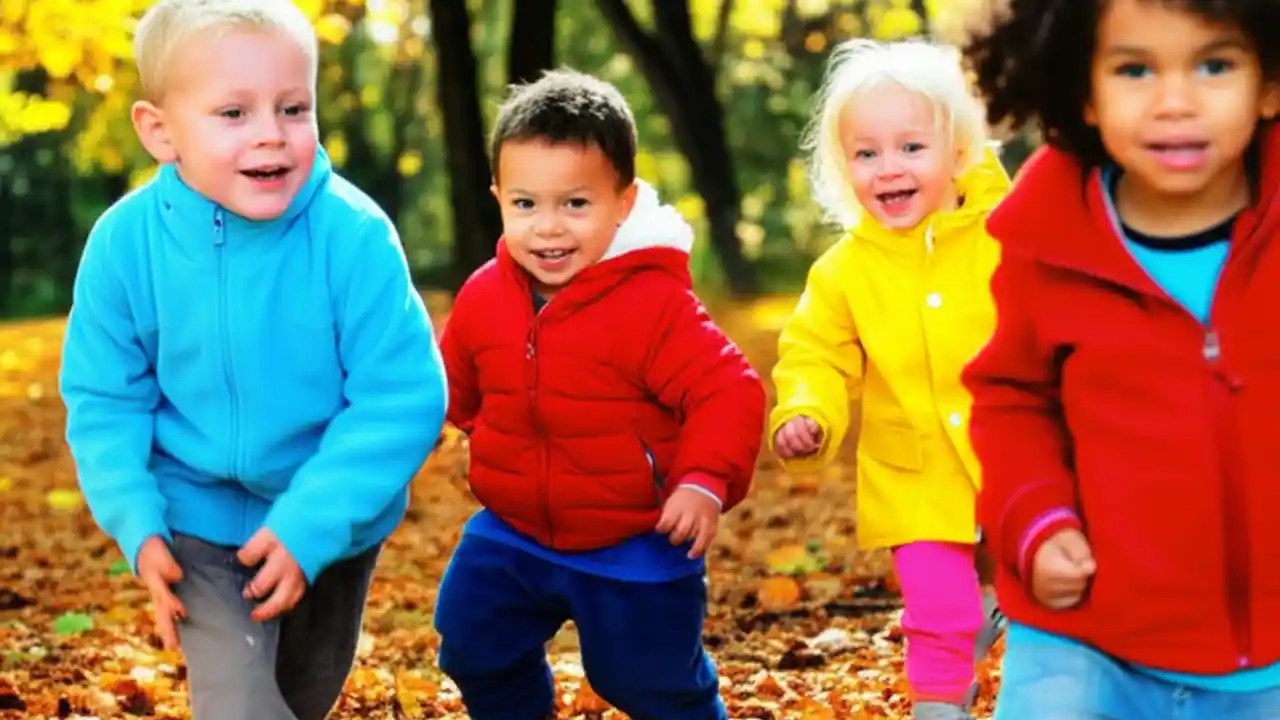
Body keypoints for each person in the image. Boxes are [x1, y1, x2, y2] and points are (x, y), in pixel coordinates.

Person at [58, 1, 447, 718]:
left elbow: (402, 395)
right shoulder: (124, 246)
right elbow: (106, 398)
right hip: (196, 515)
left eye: (293, 108)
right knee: (239, 703)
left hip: (334, 518)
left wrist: (312, 524)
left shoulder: (352, 236)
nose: (272, 134)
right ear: (160, 131)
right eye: (233, 114)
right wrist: (137, 520)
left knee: (302, 695)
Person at [962, 0, 1280, 716]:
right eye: (1135, 69)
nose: (1175, 102)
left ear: (1269, 84)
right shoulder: (1046, 246)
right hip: (1088, 644)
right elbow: (1011, 402)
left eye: (1214, 65)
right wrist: (1037, 519)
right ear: (1084, 91)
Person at [432, 69, 766, 720]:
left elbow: (727, 389)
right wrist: (427, 424)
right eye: (525, 204)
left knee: (644, 682)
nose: (548, 228)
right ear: (498, 196)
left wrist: (702, 480)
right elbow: (449, 385)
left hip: (633, 535)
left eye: (575, 204)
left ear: (623, 200)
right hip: (516, 528)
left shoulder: (653, 303)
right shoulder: (483, 295)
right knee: (473, 641)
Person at [770, 38, 1010, 720]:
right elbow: (816, 352)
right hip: (916, 477)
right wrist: (805, 411)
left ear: (958, 149)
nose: (888, 168)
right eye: (866, 153)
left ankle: (1020, 656)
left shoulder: (1010, 236)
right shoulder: (845, 270)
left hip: (1017, 460)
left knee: (1036, 595)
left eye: (911, 147)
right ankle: (940, 703)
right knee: (937, 609)